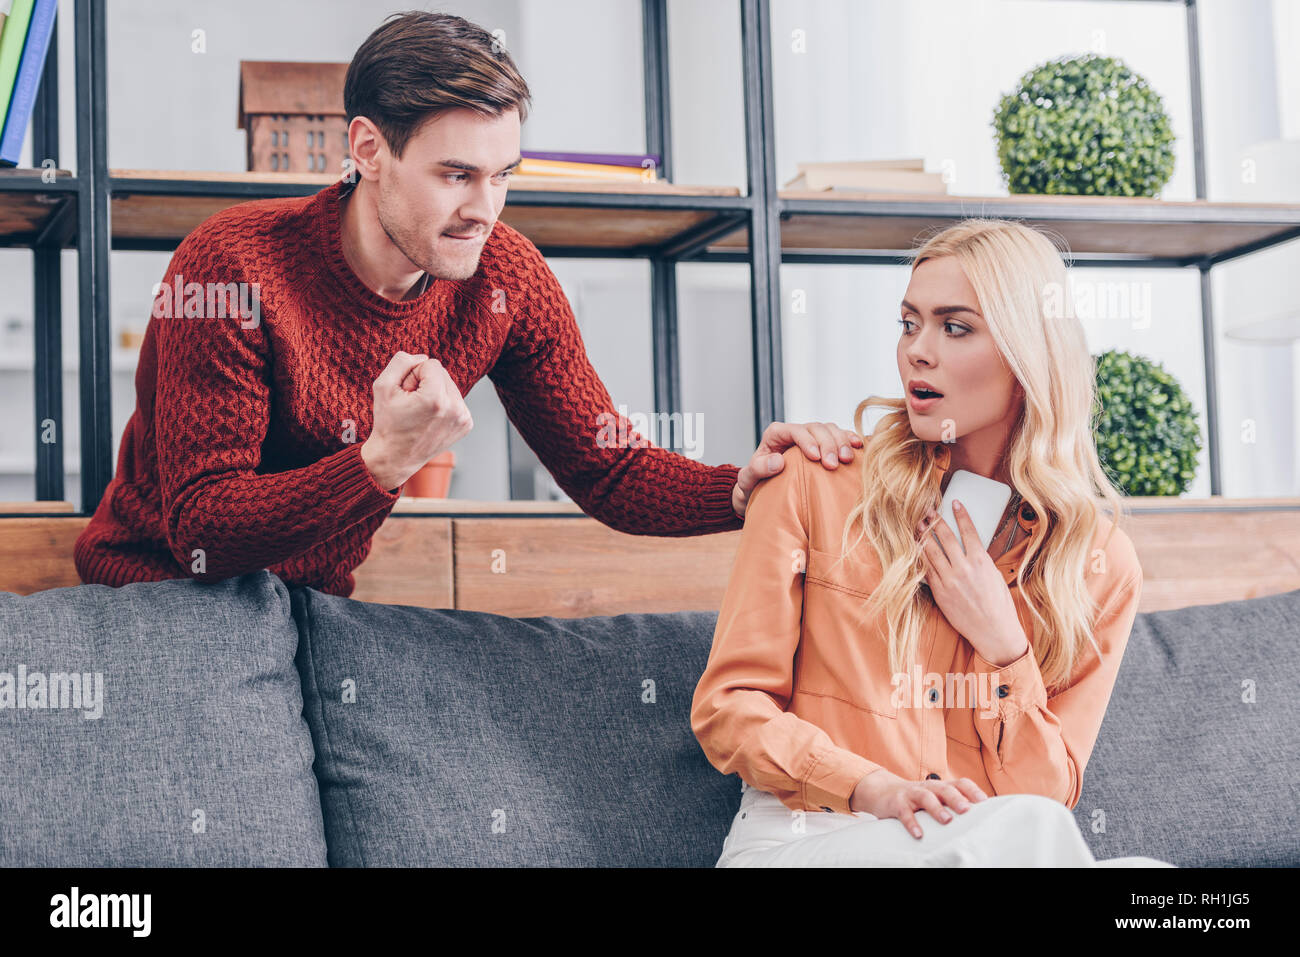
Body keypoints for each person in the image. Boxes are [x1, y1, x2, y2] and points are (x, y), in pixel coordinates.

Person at [73, 10, 860, 598]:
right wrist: (380, 461)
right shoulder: (232, 266)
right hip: (161, 593)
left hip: (310, 605)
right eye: (457, 175)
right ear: (369, 150)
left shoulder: (503, 277)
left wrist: (737, 489)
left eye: (504, 174)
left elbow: (607, 467)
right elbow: (204, 525)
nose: (487, 208)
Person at [690, 218, 1175, 867]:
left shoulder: (1096, 562)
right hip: (803, 836)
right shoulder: (813, 479)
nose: (918, 350)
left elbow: (1044, 797)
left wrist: (1003, 645)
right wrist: (873, 787)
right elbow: (729, 708)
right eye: (909, 322)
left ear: (1027, 353)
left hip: (980, 845)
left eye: (955, 326)